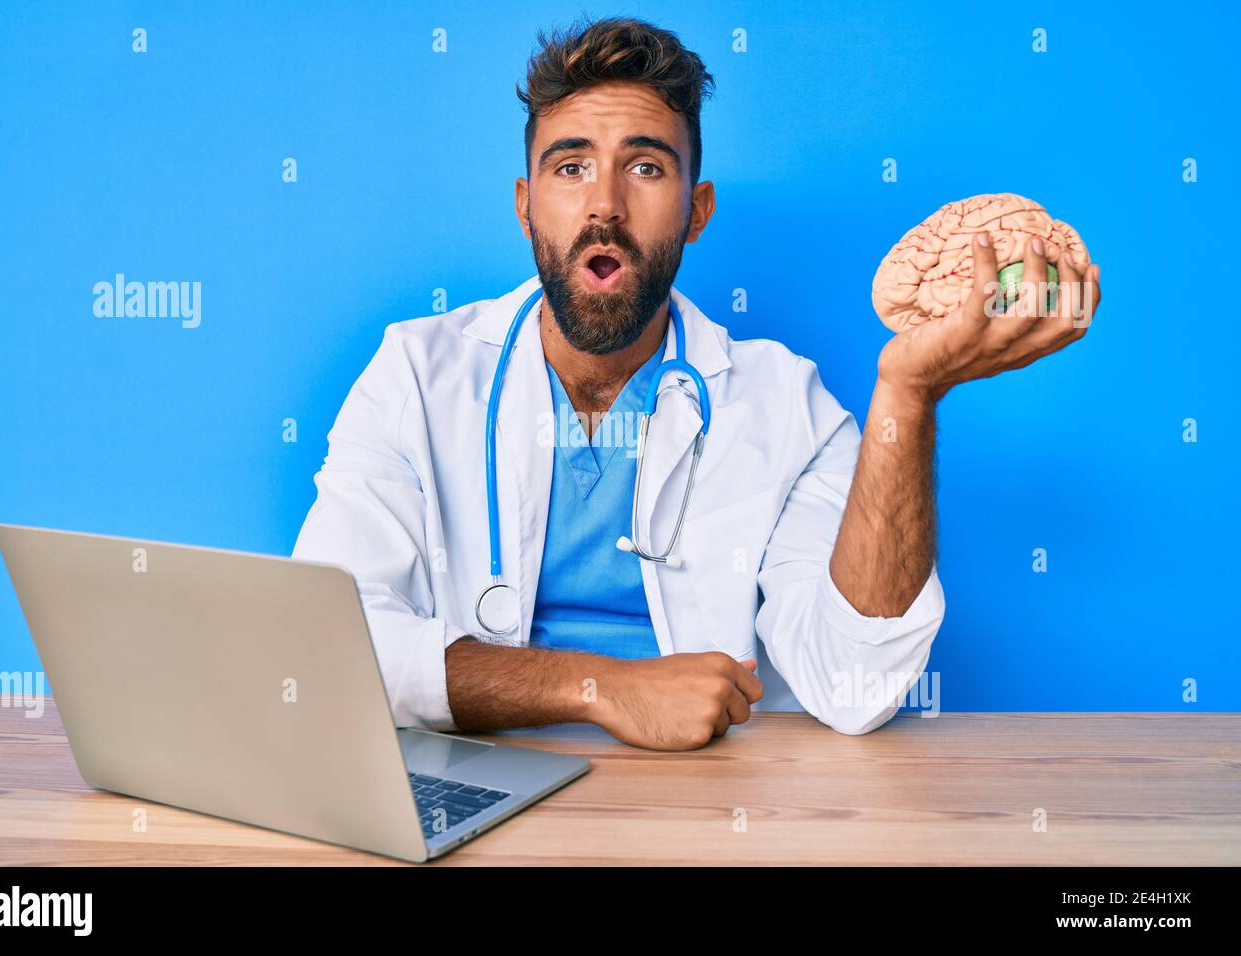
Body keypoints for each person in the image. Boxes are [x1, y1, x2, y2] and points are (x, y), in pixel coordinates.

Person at [292, 17, 1101, 751]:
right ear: (525, 205)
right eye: (570, 167)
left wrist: (909, 394)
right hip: (482, 780)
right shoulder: (415, 373)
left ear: (696, 209)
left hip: (714, 801)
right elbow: (326, 646)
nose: (604, 205)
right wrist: (600, 687)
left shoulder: (788, 407)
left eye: (646, 166)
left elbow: (855, 686)